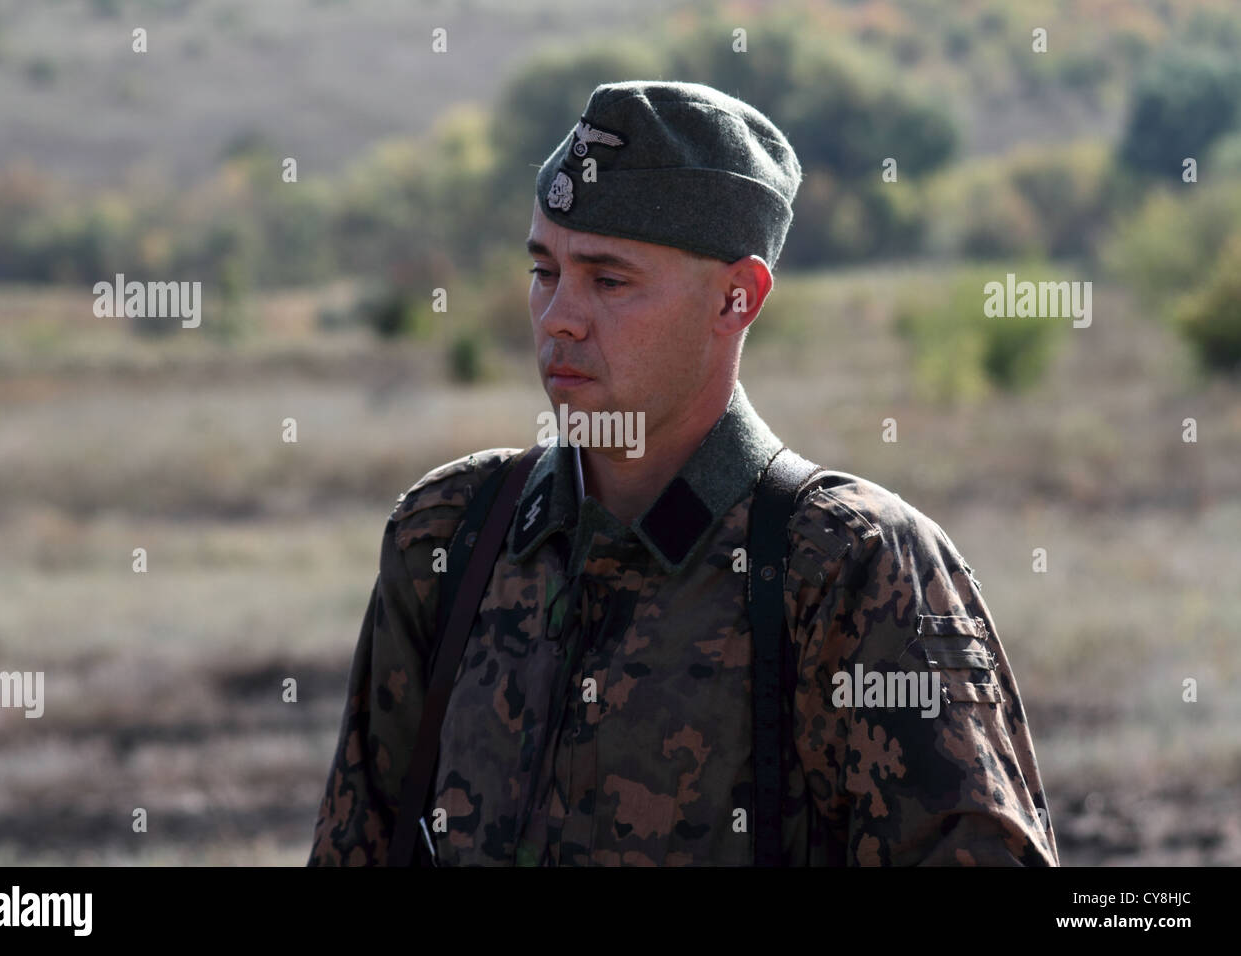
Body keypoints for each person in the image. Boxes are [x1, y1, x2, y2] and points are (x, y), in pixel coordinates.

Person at [307, 80, 1059, 866]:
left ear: (738, 298)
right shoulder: (451, 535)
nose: (559, 315)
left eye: (608, 280)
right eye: (544, 271)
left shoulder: (847, 567)